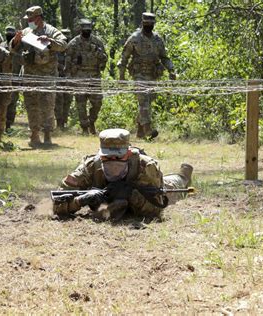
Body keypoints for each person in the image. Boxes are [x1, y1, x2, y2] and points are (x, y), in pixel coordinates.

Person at [52, 128, 192, 221]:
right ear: (100, 155)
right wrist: (80, 200)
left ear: (129, 153)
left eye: (118, 157)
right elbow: (57, 203)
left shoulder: (145, 166)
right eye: (108, 157)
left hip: (150, 189)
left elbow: (156, 209)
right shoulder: (90, 167)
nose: (113, 161)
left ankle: (185, 175)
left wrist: (131, 195)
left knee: (174, 185)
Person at [11, 6, 67, 147]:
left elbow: (64, 45)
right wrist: (16, 40)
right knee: (31, 105)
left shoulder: (52, 31)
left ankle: (47, 134)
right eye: (27, 19)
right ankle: (34, 134)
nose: (29, 21)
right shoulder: (26, 31)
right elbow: (12, 48)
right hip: (29, 75)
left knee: (47, 105)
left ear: (39, 18)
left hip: (46, 76)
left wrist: (49, 41)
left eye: (31, 19)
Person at [118, 12, 176, 140]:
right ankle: (148, 130)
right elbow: (124, 57)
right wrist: (121, 76)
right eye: (146, 23)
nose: (149, 26)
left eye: (151, 24)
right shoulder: (134, 38)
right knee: (143, 102)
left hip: (153, 75)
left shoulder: (157, 40)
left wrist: (171, 70)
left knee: (148, 103)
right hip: (139, 75)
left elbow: (164, 57)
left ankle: (140, 132)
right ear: (142, 23)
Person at [65, 19, 107, 135]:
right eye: (84, 30)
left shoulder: (97, 42)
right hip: (79, 77)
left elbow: (104, 58)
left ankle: (91, 121)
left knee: (97, 102)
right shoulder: (73, 43)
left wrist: (97, 52)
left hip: (94, 76)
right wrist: (71, 74)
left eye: (89, 30)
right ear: (80, 30)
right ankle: (84, 127)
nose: (87, 32)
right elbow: (67, 63)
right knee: (81, 104)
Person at [2, 25, 22, 132]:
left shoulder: (19, 47)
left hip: (15, 80)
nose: (9, 35)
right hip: (2, 80)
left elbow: (23, 64)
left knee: (12, 102)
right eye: (7, 33)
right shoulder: (1, 46)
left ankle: (8, 125)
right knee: (2, 102)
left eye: (11, 33)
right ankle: (0, 124)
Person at [54, 28, 73, 130]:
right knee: (59, 100)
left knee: (68, 100)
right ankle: (59, 122)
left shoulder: (72, 49)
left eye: (68, 37)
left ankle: (64, 121)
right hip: (58, 78)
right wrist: (61, 67)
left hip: (69, 79)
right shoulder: (56, 50)